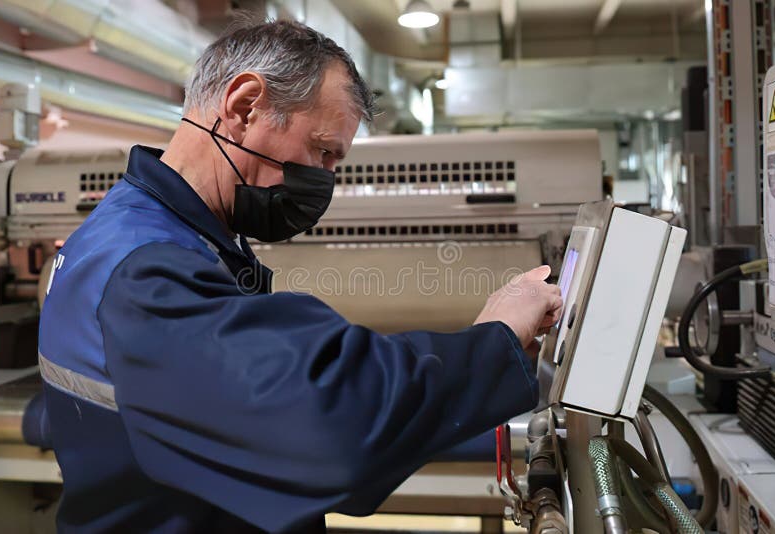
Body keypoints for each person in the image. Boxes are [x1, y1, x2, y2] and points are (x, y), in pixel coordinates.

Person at [38, 18, 562, 533]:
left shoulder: (148, 228)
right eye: (323, 151)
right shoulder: (146, 270)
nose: (325, 179)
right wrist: (495, 339)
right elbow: (328, 423)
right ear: (245, 106)